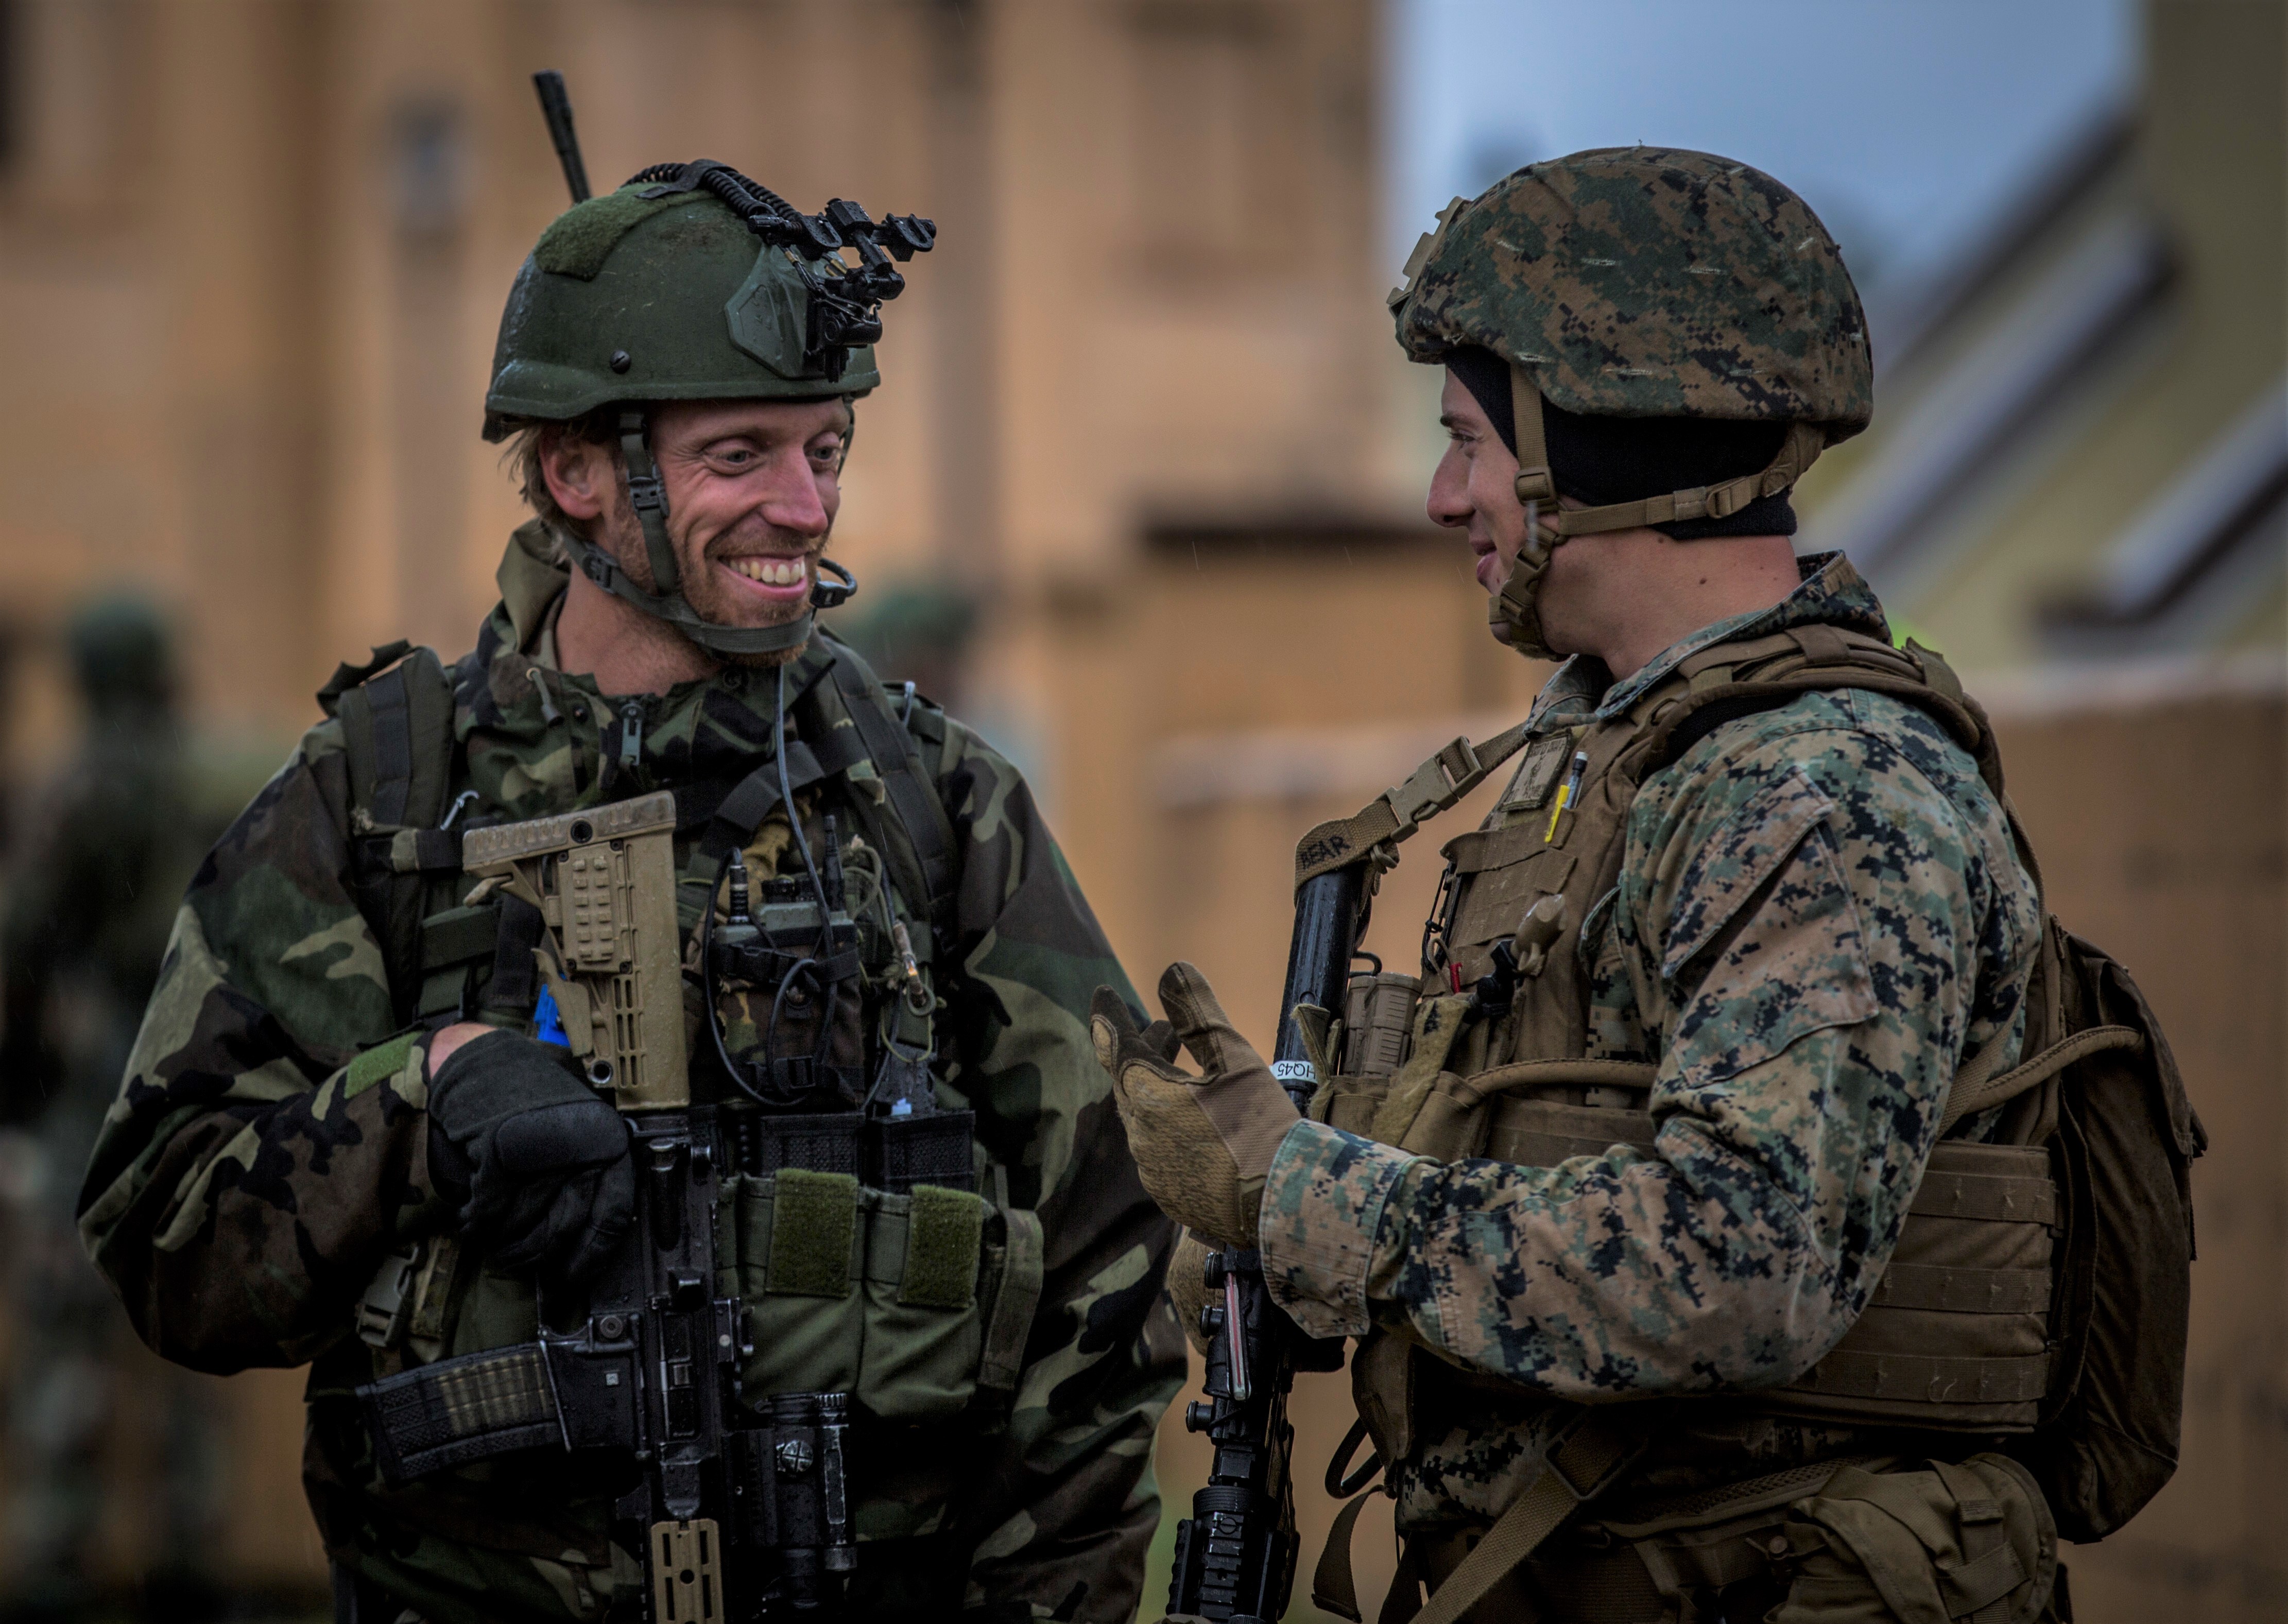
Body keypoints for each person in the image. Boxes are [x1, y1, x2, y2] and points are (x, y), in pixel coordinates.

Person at [80, 161, 1180, 1624]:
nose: (805, 507)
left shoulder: (930, 801)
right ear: (576, 474)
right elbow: (166, 1240)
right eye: (743, 455)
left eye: (827, 449)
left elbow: (1103, 1269)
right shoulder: (380, 802)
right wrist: (424, 1099)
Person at [1094, 149, 2110, 1623]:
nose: (1443, 496)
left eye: (1466, 441)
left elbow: (1744, 1263)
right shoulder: (1613, 757)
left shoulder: (1814, 793)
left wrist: (1304, 1197)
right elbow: (1548, 1135)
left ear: (1605, 443)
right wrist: (1290, 1241)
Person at [0, 597, 235, 1621]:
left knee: (69, 1329)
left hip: (99, 1083)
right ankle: (194, 1550)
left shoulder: (84, 783)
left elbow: (21, 941)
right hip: (207, 1079)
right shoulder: (221, 773)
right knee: (196, 1324)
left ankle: (59, 1550)